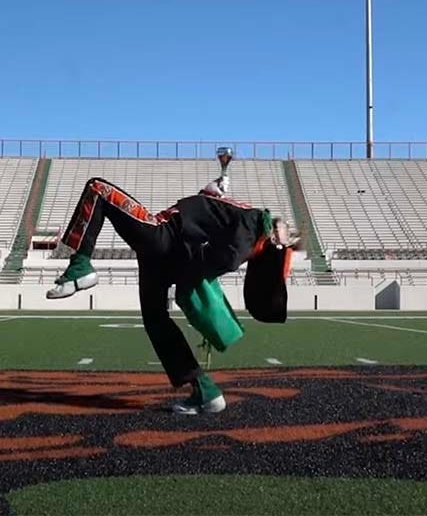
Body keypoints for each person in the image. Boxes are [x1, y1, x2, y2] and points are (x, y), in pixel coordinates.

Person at [46, 175, 294, 414]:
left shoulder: (247, 234)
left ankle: (80, 265)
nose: (285, 229)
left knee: (98, 189)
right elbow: (205, 223)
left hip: (163, 236)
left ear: (273, 241)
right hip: (163, 252)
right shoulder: (249, 228)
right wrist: (207, 193)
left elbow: (212, 256)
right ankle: (206, 391)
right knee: (156, 321)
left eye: (283, 236)